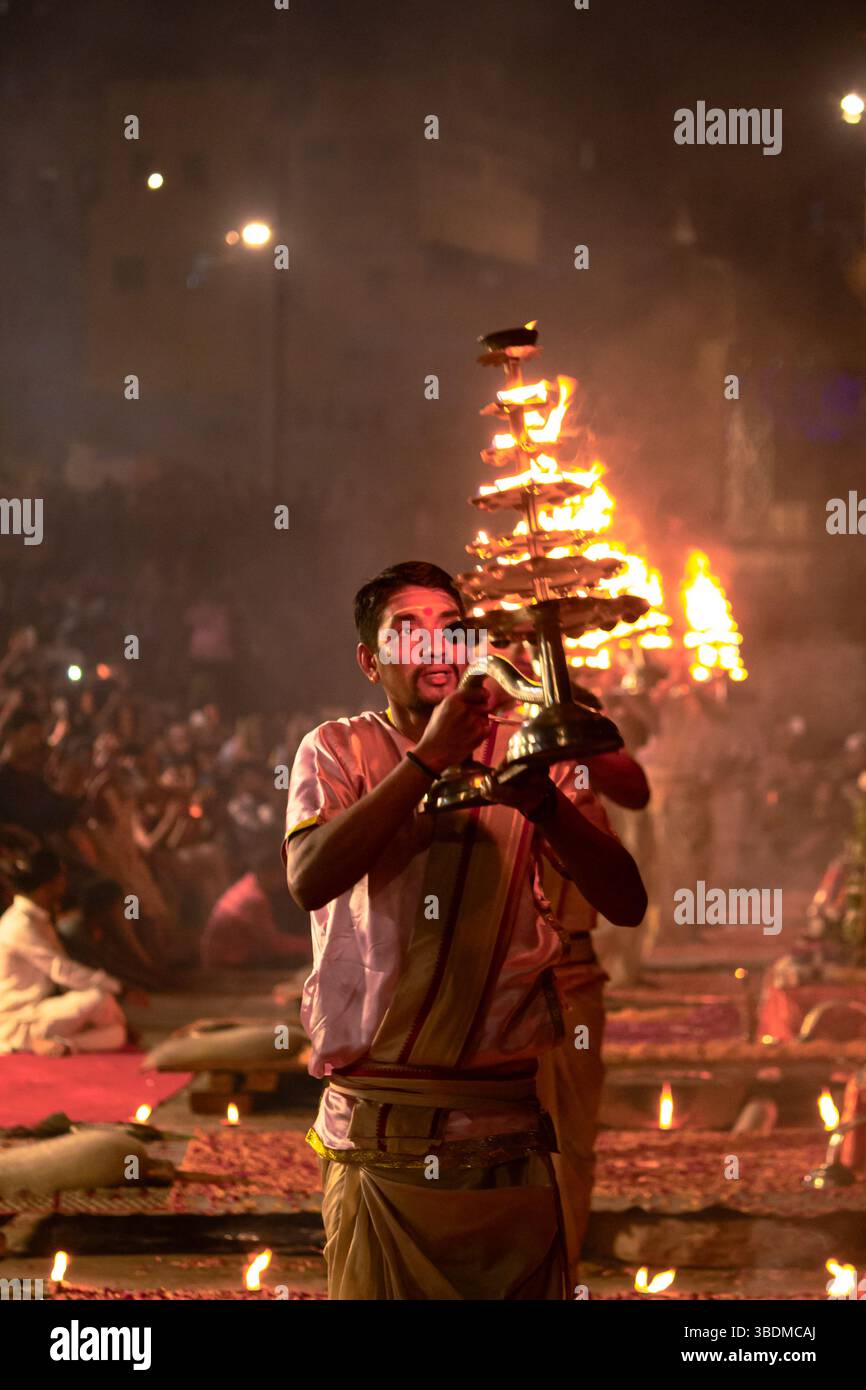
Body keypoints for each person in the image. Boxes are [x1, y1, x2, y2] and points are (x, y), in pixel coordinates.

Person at [284, 561, 646, 1300]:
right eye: (405, 632)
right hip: (380, 1128)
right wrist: (427, 762)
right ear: (369, 660)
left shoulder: (525, 744)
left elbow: (626, 900)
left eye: (450, 631)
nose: (431, 648)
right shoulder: (337, 749)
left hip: (502, 1129)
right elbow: (310, 877)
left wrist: (543, 804)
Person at [482, 638, 650, 1287]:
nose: (510, 660)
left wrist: (567, 730)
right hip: (484, 995)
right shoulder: (455, 749)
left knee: (567, 1153)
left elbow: (632, 792)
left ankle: (557, 1279)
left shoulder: (568, 739)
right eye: (500, 650)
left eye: (524, 648)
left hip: (569, 980)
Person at [0, 847, 128, 1055]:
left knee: (117, 1034)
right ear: (52, 882)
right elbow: (63, 972)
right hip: (19, 1021)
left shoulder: (39, 919)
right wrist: (120, 988)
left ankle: (63, 1045)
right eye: (62, 876)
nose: (65, 882)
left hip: (43, 1013)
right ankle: (32, 1042)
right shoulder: (20, 925)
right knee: (99, 997)